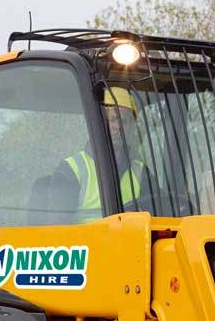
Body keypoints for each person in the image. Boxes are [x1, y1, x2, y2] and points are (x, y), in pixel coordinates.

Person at [50, 86, 150, 221]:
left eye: (124, 121)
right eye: (112, 119)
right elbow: (57, 226)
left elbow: (161, 209)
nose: (118, 126)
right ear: (100, 123)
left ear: (131, 127)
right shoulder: (71, 169)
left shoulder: (141, 171)